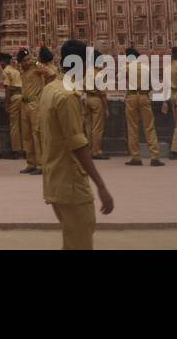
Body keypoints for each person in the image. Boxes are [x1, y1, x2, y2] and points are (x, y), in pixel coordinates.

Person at [38, 39, 114, 249]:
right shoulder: (68, 96)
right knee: (80, 242)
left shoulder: (49, 89)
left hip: (54, 178)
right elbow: (78, 145)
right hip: (71, 183)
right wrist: (101, 186)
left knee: (71, 240)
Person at [124, 46, 163, 167]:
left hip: (131, 97)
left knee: (132, 127)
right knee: (149, 126)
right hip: (144, 96)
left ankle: (135, 157)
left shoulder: (126, 68)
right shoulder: (146, 68)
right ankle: (155, 156)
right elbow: (152, 85)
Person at [17, 48, 43, 174]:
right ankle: (31, 163)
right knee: (27, 136)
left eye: (29, 59)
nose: (28, 62)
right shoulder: (22, 71)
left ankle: (40, 164)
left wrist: (36, 62)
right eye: (25, 60)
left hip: (34, 104)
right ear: (20, 62)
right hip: (24, 104)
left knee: (36, 134)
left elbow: (50, 72)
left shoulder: (36, 68)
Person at [85, 48, 109, 160]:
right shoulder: (98, 74)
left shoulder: (88, 73)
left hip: (87, 100)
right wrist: (106, 108)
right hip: (96, 100)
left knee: (88, 127)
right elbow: (103, 93)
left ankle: (89, 150)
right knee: (97, 127)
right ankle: (97, 151)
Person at [1, 53, 23, 158]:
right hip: (21, 97)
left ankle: (16, 150)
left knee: (14, 125)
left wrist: (6, 104)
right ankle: (26, 149)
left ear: (2, 62)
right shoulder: (16, 71)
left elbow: (8, 89)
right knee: (23, 124)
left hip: (14, 98)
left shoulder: (6, 71)